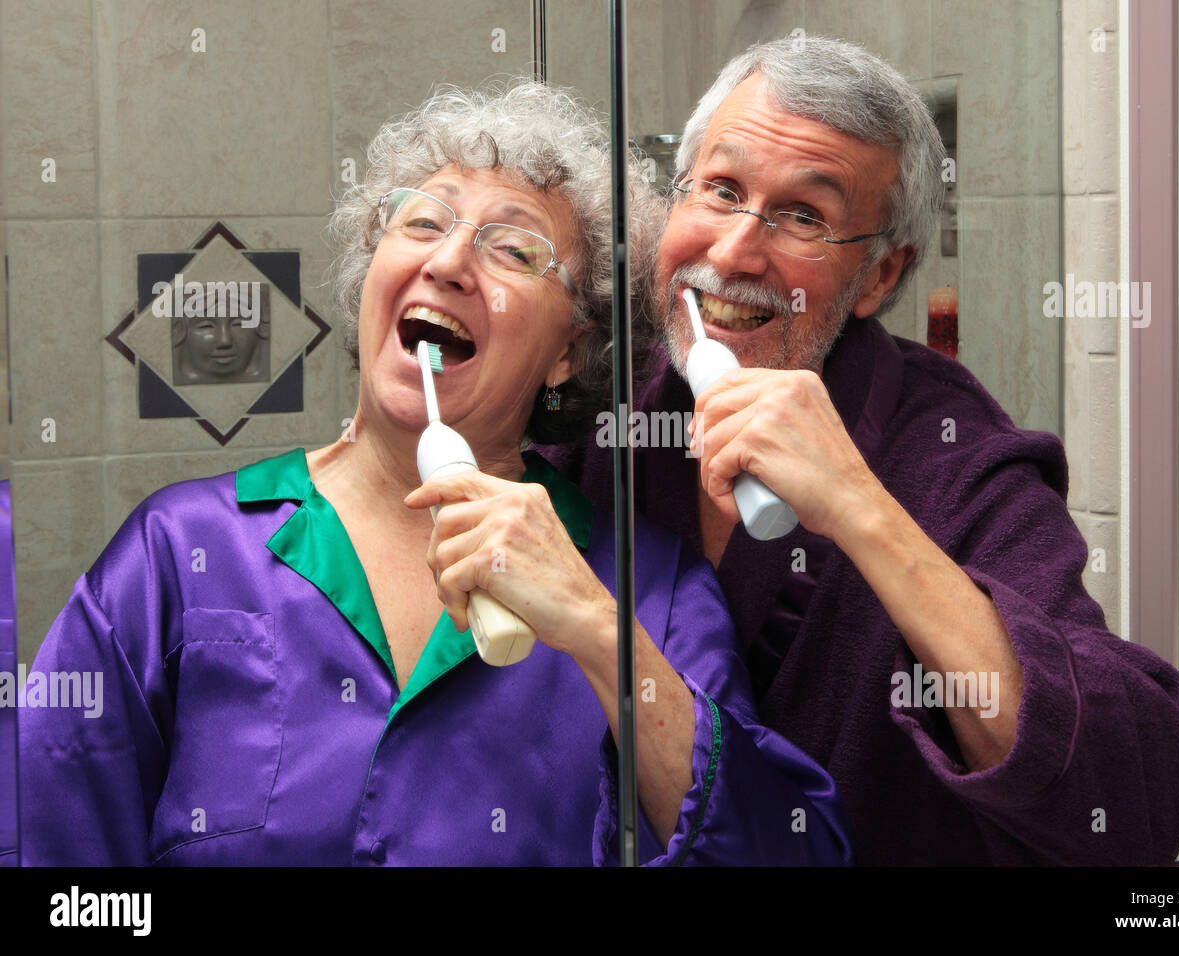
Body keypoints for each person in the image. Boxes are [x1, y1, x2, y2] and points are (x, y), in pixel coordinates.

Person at [18, 82, 852, 866]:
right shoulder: (179, 553)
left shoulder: (645, 588)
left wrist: (601, 635)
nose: (450, 260)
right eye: (421, 223)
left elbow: (779, 847)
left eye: (516, 249)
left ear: (569, 349)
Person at [541, 37, 1179, 865]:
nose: (734, 253)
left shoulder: (951, 456)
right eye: (720, 190)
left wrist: (861, 509)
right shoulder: (605, 393)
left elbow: (1135, 796)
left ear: (881, 277)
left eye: (805, 217)